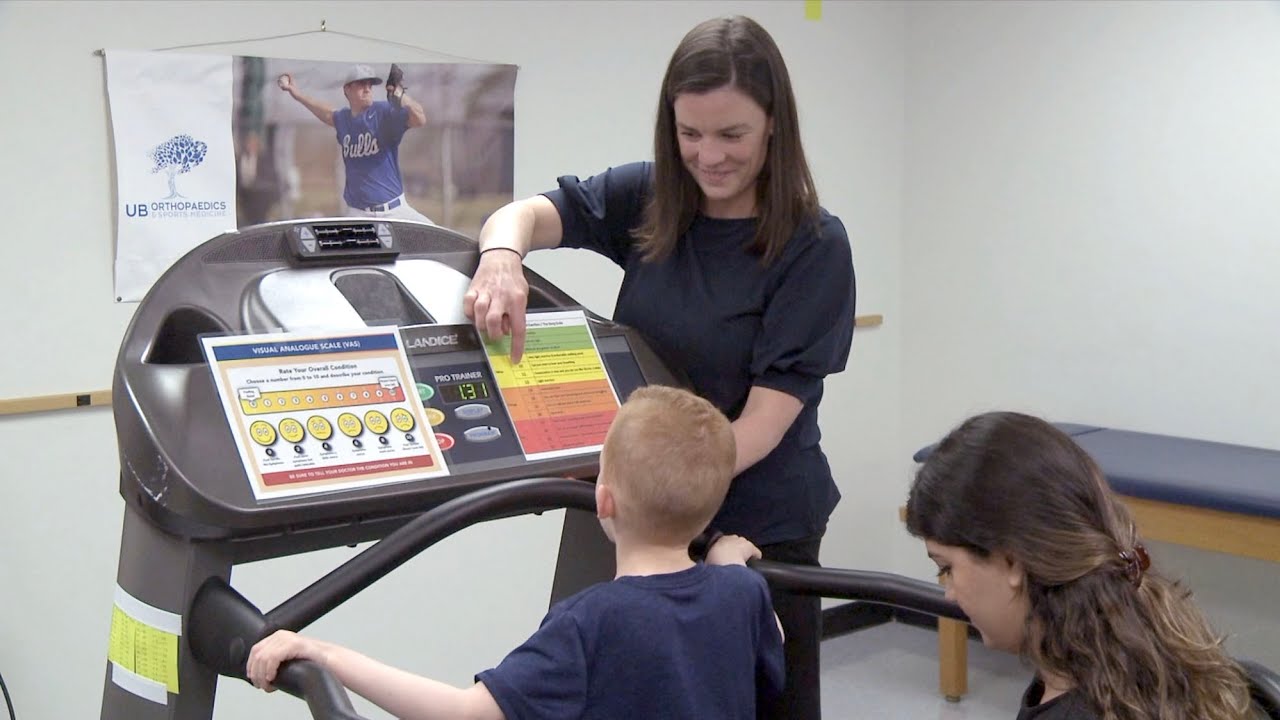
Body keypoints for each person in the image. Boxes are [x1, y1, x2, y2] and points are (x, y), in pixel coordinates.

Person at [462, 16, 854, 718]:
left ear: (773, 127)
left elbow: (763, 423)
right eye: (690, 134)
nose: (709, 157)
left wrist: (647, 482)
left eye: (732, 135)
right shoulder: (650, 199)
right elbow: (520, 215)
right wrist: (501, 259)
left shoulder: (813, 246)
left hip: (754, 519)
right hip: (640, 512)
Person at [248, 385, 785, 719]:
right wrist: (727, 562)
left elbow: (463, 715)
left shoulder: (590, 622)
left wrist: (329, 656)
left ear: (602, 500)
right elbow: (766, 632)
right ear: (710, 513)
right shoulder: (740, 591)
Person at [905, 412, 1257, 720]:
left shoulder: (1080, 701)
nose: (948, 595)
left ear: (1011, 561)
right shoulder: (1137, 650)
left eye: (947, 567)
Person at [278, 63, 435, 223]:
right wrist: (296, 93)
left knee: (436, 240)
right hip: (358, 213)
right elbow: (325, 112)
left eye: (370, 85)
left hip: (395, 211)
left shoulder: (383, 112)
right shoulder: (344, 119)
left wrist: (401, 96)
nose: (367, 89)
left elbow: (420, 119)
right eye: (361, 84)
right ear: (347, 90)